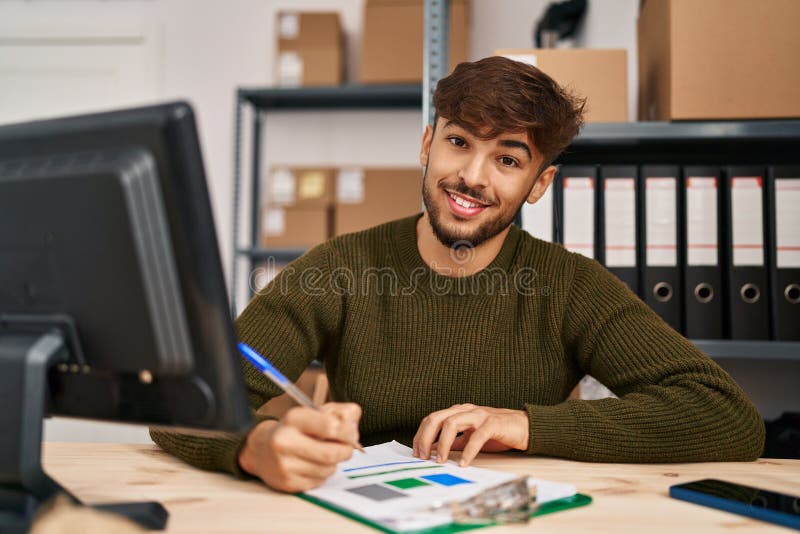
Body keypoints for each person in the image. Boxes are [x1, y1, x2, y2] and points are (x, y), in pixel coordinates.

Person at [151, 56, 765, 493]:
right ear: (426, 144)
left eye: (507, 158)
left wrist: (523, 425)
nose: (473, 176)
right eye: (459, 142)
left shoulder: (570, 286)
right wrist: (254, 446)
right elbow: (185, 400)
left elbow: (725, 416)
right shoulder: (339, 268)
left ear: (539, 184)